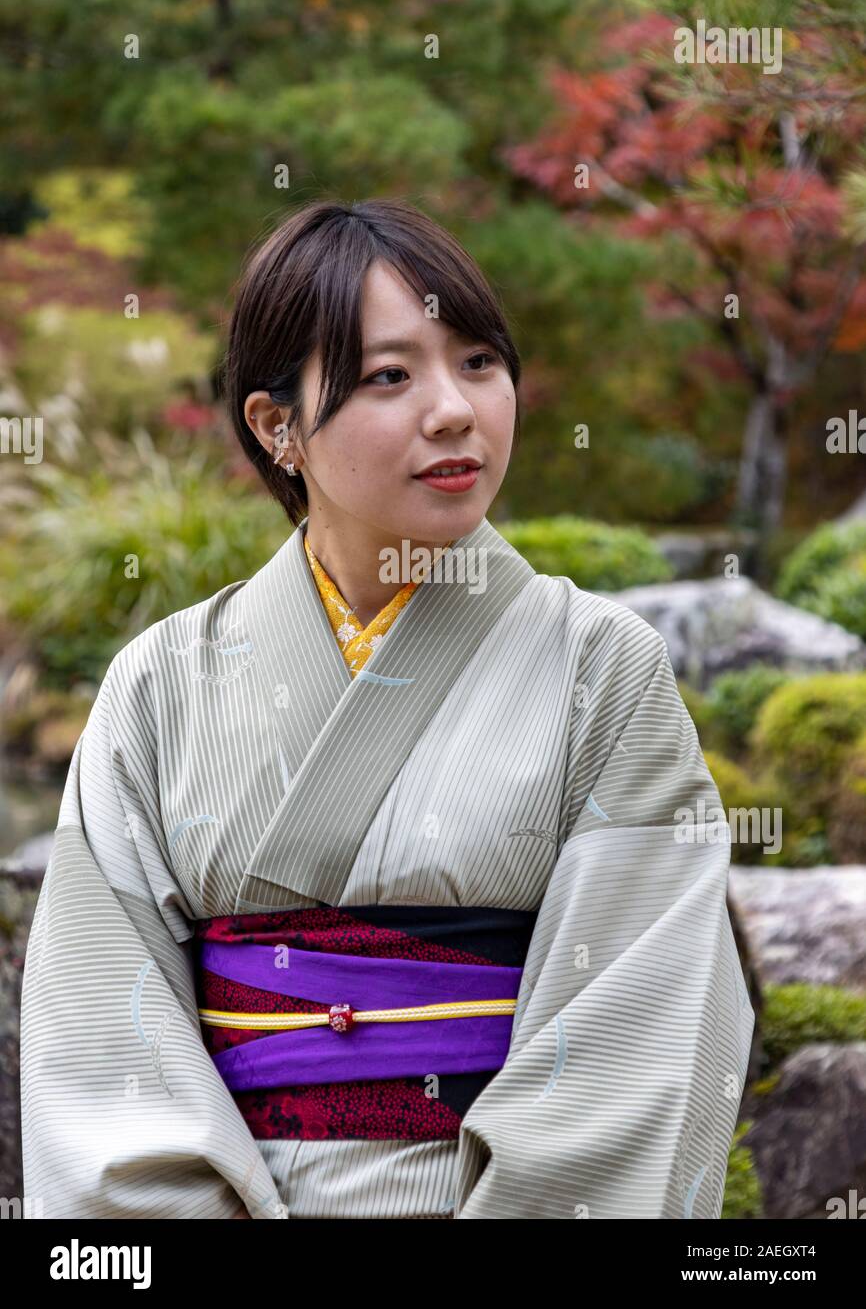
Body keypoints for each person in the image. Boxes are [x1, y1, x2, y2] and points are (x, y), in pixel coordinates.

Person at [19, 198, 754, 1219]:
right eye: (388, 375)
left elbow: (639, 1029)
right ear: (276, 426)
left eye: (478, 362)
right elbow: (102, 1046)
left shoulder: (601, 667)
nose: (452, 408)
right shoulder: (159, 685)